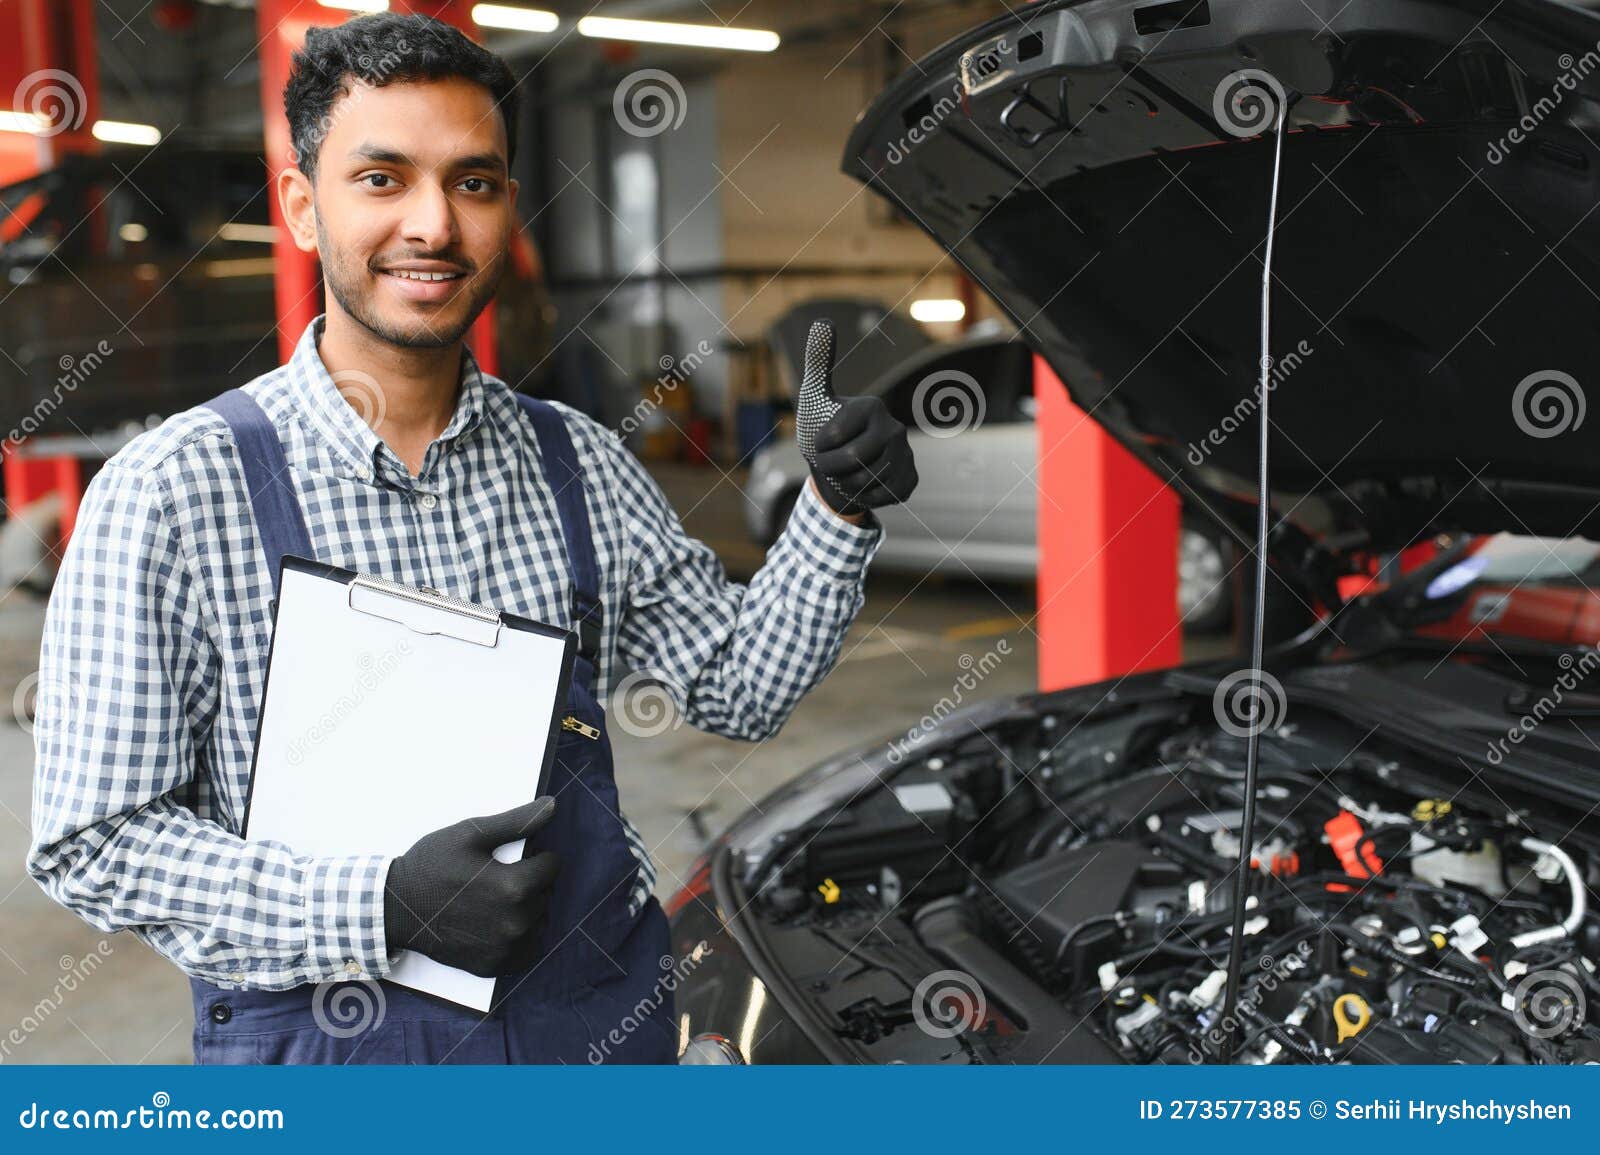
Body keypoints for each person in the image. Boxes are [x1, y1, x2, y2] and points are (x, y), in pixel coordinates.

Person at [27, 12, 917, 1065]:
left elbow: (737, 686)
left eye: (473, 182)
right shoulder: (174, 494)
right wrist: (381, 905)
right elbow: (95, 844)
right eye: (382, 178)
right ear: (303, 209)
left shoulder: (573, 463)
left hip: (592, 1027)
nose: (433, 226)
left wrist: (835, 507)